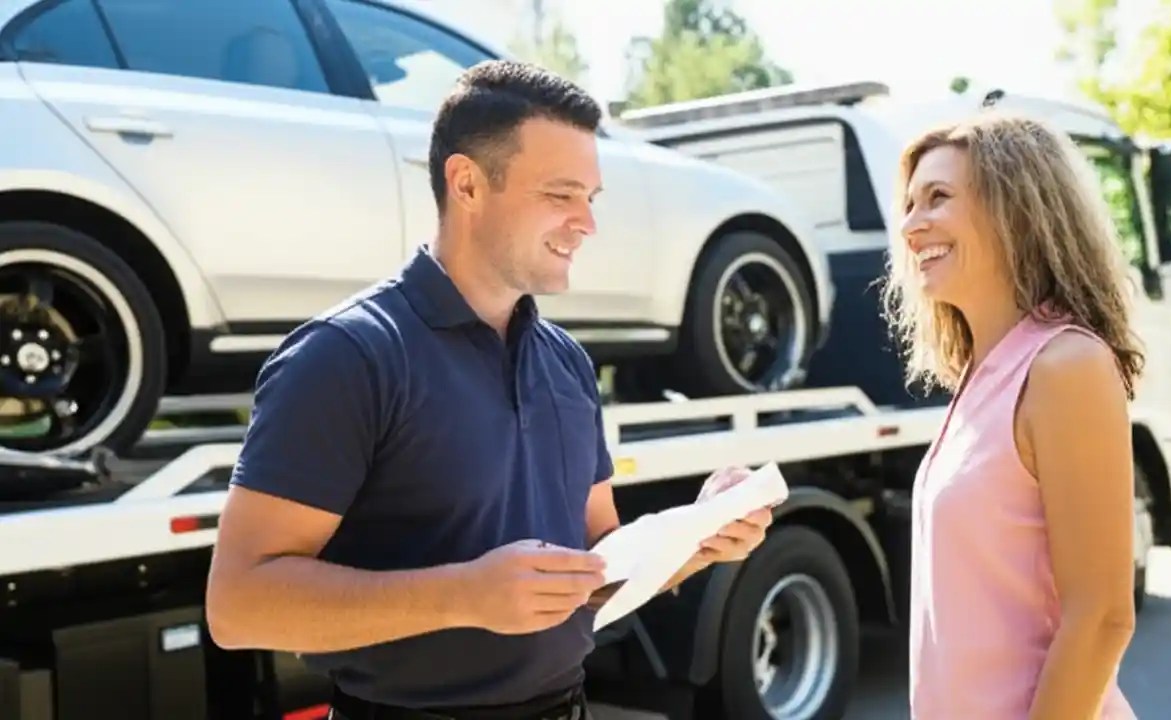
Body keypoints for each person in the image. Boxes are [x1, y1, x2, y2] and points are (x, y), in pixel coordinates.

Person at [204, 60, 773, 720]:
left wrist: (693, 541)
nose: (586, 223)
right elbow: (238, 607)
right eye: (561, 195)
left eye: (592, 197)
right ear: (467, 183)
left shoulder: (566, 364)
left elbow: (596, 569)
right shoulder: (347, 357)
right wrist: (463, 596)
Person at [886, 111, 1144, 719]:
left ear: (1017, 211)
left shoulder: (1065, 365)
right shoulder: (982, 373)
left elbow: (1103, 616)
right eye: (910, 204)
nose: (911, 225)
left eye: (938, 198)